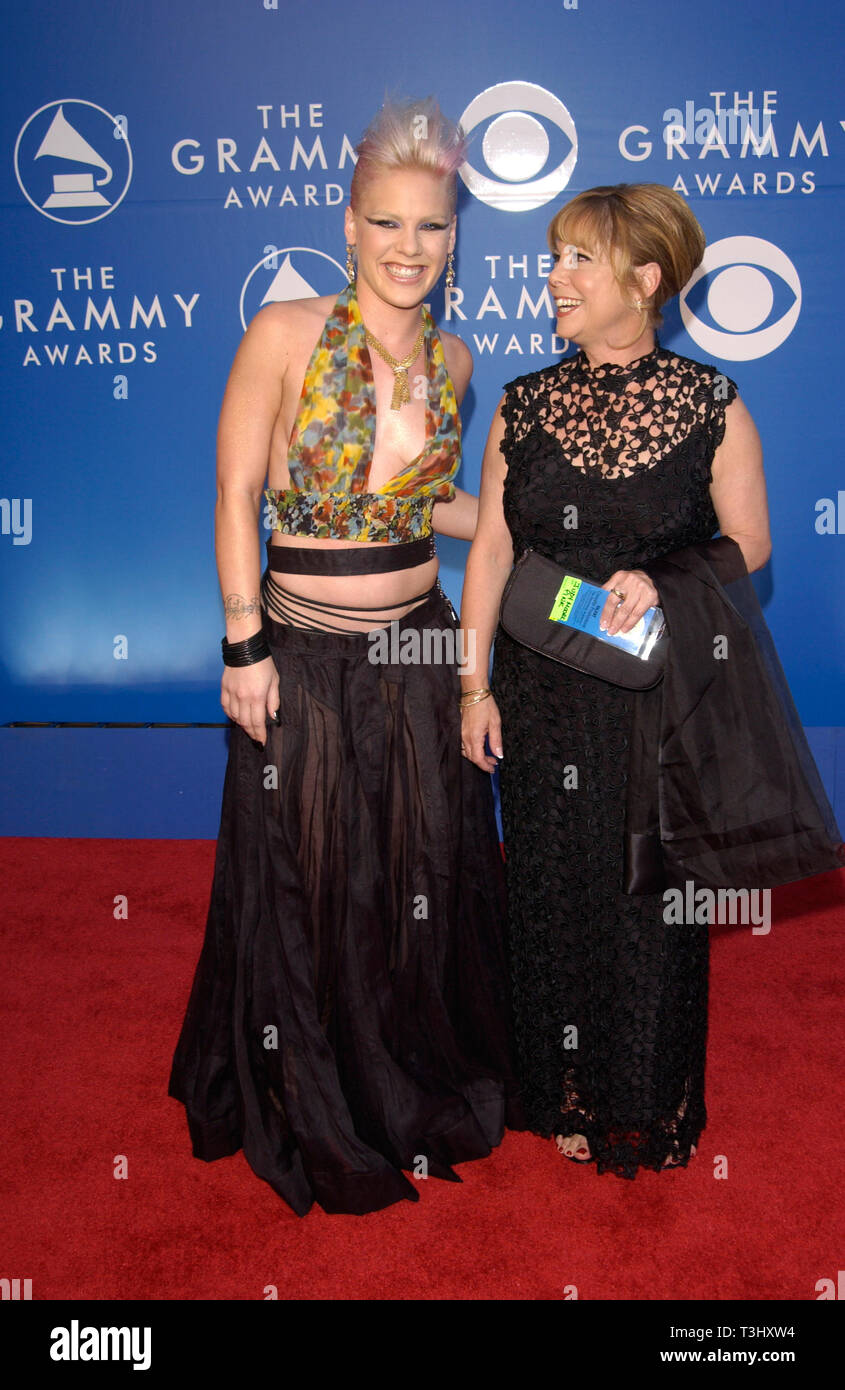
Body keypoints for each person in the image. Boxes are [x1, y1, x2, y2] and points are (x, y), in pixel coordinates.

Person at [169, 97, 521, 1217]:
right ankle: (314, 1092)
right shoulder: (284, 331)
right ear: (348, 224)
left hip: (420, 651)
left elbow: (435, 508)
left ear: (454, 235)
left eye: (431, 227)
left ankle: (407, 1075)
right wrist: (242, 642)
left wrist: (542, 517)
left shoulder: (457, 360)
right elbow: (233, 491)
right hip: (304, 654)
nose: (408, 248)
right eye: (387, 224)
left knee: (417, 876)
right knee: (315, 881)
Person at [459, 183, 842, 1177]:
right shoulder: (523, 402)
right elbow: (493, 552)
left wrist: (659, 578)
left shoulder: (710, 404)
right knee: (545, 886)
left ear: (644, 279)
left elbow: (748, 544)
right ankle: (558, 1095)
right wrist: (471, 685)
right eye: (553, 259)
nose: (553, 278)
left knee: (645, 898)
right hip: (538, 693)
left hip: (648, 698)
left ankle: (645, 1105)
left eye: (577, 260)